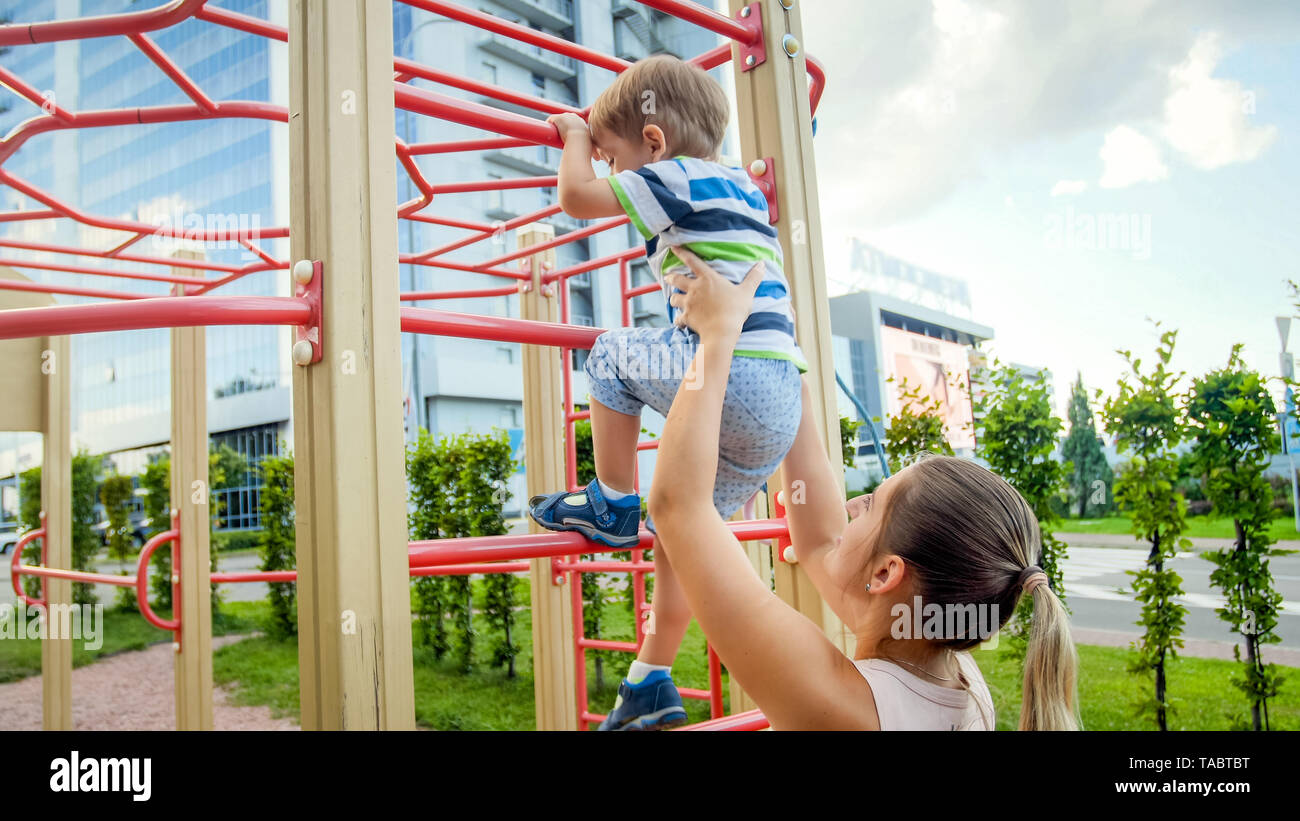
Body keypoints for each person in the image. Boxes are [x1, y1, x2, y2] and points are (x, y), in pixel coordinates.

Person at [647, 247, 1081, 730]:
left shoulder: (841, 704)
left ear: (886, 573)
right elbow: (819, 542)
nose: (852, 504)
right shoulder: (956, 679)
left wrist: (718, 336)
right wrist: (784, 365)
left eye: (871, 503)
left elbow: (678, 506)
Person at [527, 54, 806, 730]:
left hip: (730, 372)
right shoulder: (741, 187)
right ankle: (651, 676)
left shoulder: (671, 174)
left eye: (615, 158)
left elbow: (575, 199)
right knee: (684, 532)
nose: (615, 174)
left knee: (611, 353)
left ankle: (612, 498)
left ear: (653, 142)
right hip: (780, 403)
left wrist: (574, 136)